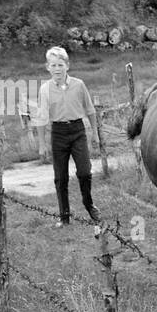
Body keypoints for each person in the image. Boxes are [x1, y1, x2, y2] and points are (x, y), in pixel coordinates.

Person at [33, 46, 100, 226]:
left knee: (85, 172)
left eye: (60, 65)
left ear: (67, 66)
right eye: (53, 65)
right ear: (47, 67)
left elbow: (90, 109)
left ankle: (89, 204)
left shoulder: (79, 85)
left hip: (78, 131)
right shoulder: (45, 89)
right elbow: (41, 118)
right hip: (58, 133)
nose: (57, 69)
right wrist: (42, 144)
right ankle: (64, 216)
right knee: (60, 177)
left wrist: (94, 132)